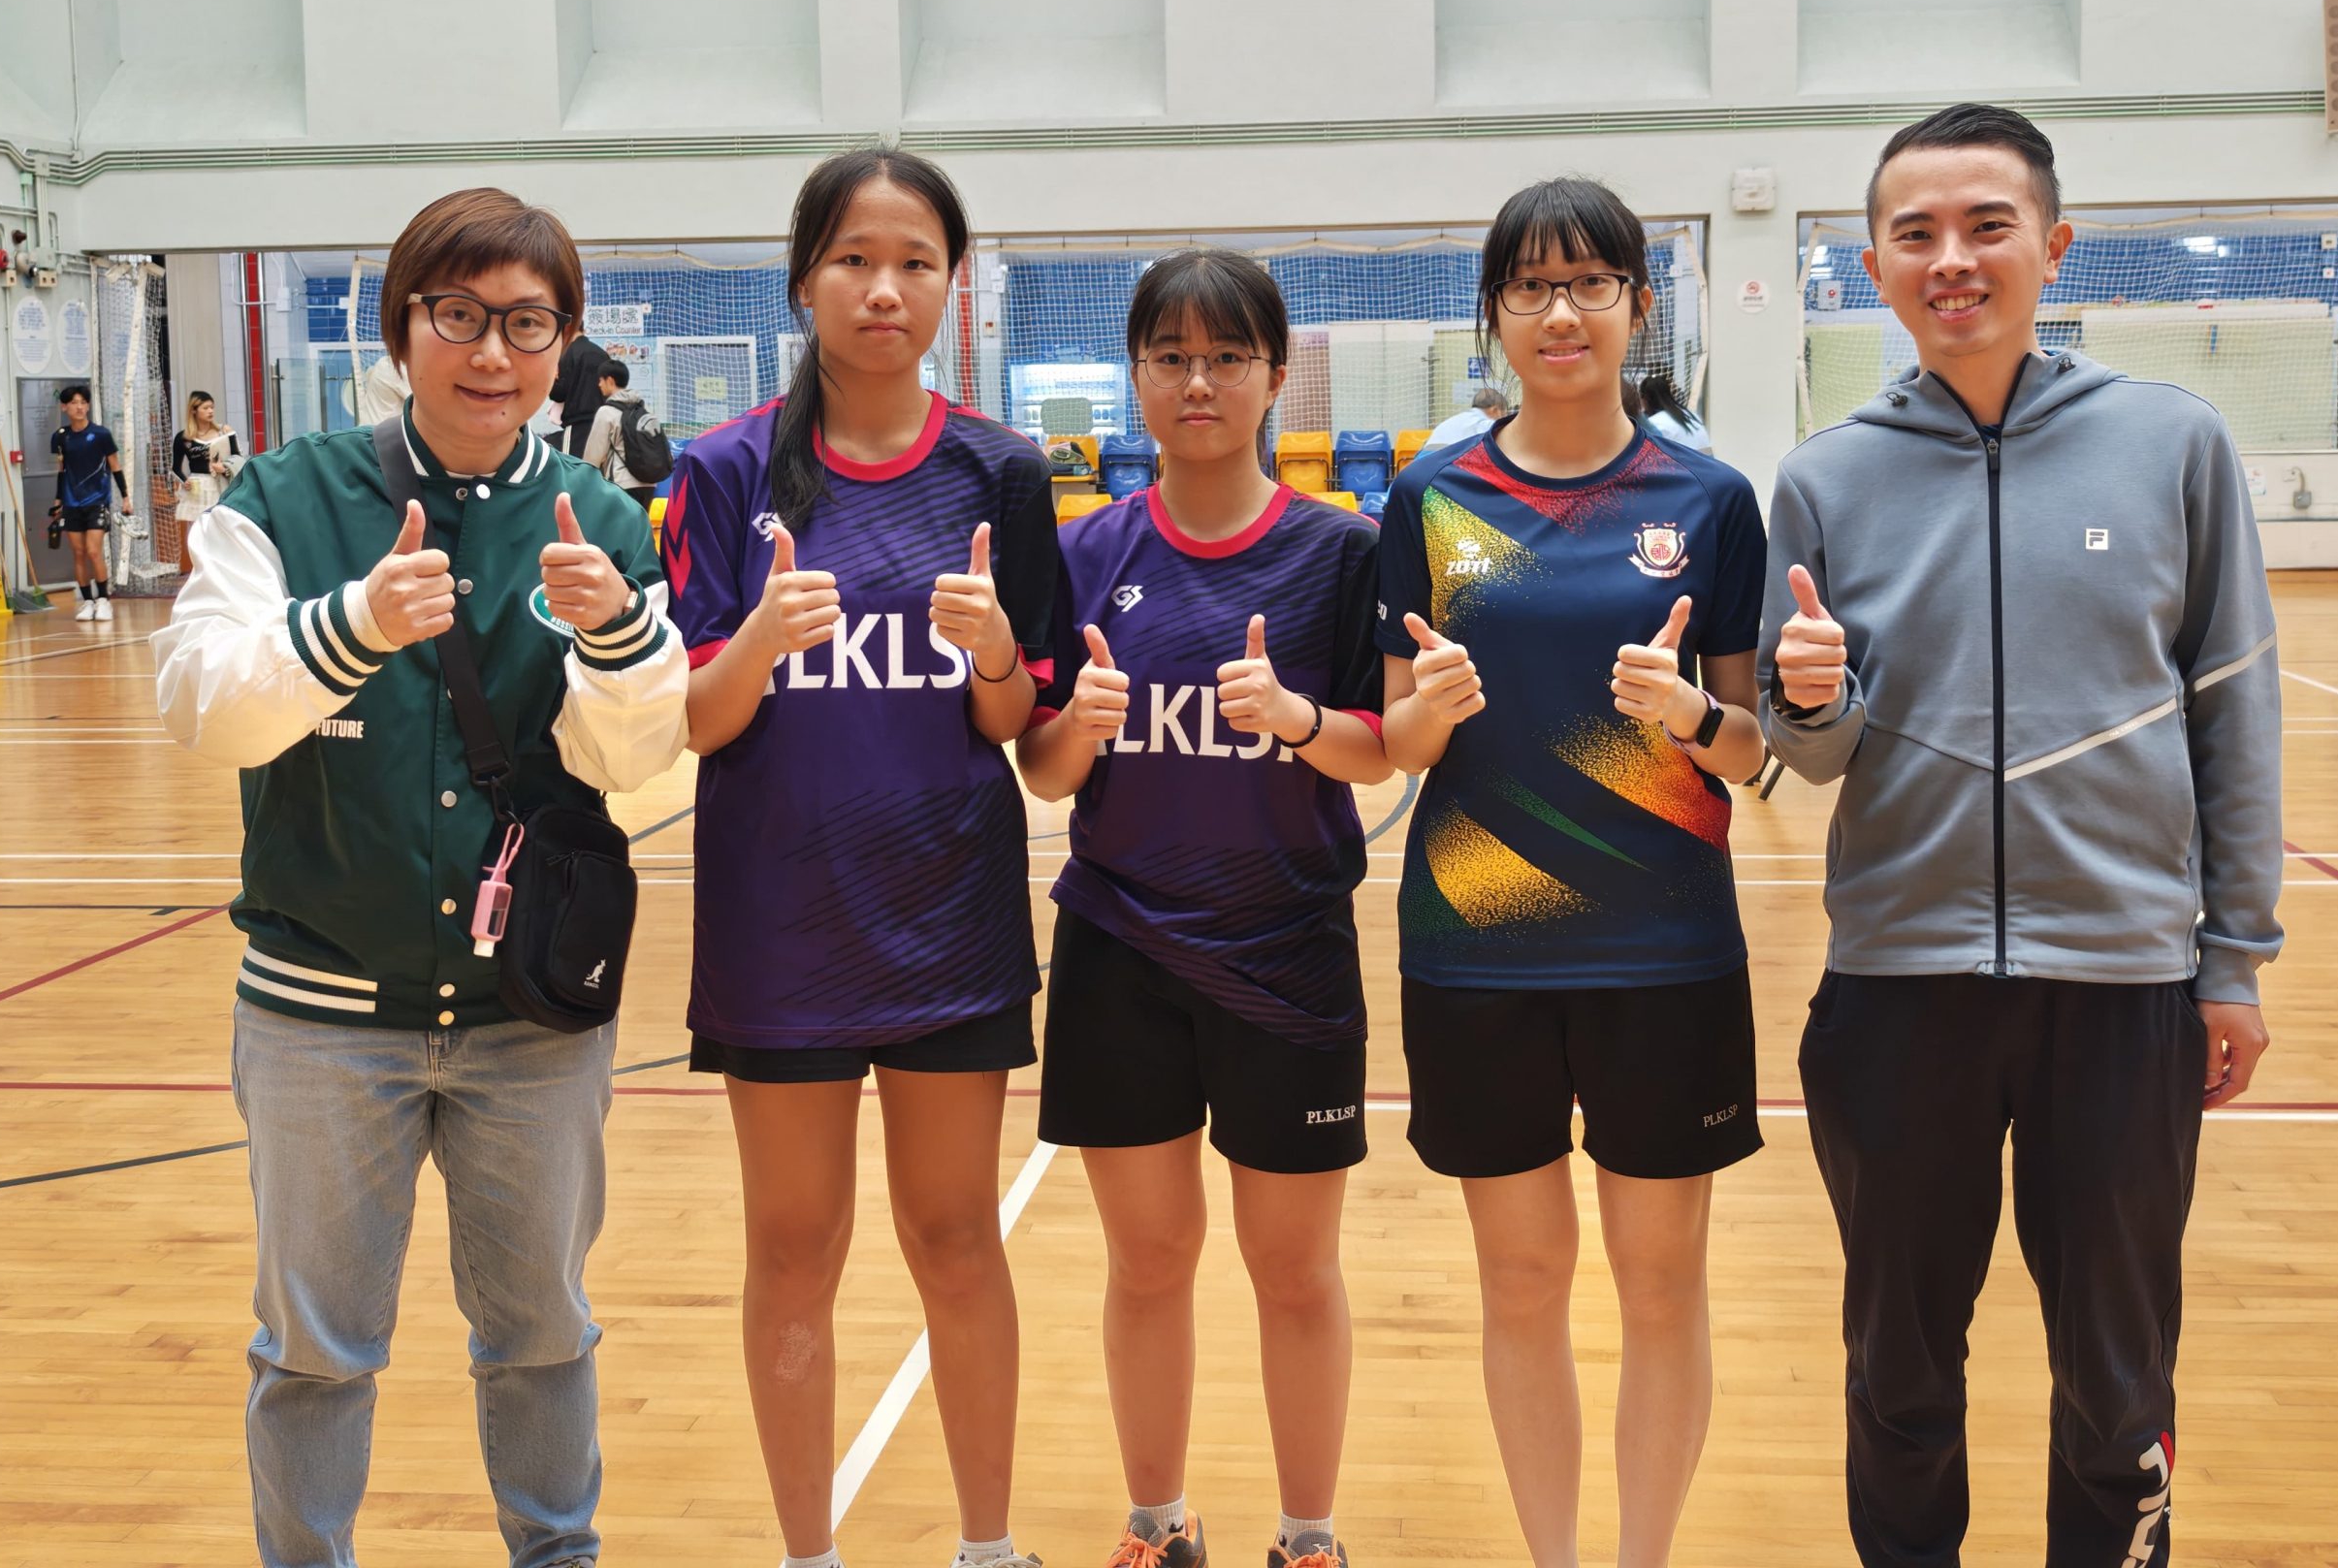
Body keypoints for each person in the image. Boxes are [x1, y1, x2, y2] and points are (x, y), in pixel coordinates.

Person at [1760, 103, 2282, 1568]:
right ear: (1873, 268)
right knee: (1901, 1375)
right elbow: (1809, 757)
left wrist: (2233, 957)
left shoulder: (2173, 446)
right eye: (1915, 234)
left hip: (2121, 991)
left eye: (1986, 225)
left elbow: (2235, 716)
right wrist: (1813, 701)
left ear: (2054, 246)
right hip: (1897, 991)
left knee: (2118, 1386)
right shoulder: (1826, 476)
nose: (1953, 259)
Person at [153, 186, 689, 1568]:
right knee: (317, 1353)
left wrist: (624, 637)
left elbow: (631, 757)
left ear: (565, 342)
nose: (492, 354)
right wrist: (348, 627)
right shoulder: (286, 495)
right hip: (320, 1012)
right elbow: (204, 705)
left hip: (531, 1017)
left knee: (543, 1340)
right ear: (402, 328)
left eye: (527, 323)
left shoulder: (596, 517)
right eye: (459, 316)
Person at [661, 148, 1056, 1568]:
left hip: (948, 915)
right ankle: (807, 1554)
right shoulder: (719, 474)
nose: (884, 289)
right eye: (852, 260)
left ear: (952, 284)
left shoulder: (1002, 470)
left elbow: (1022, 721)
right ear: (804, 280)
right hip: (781, 930)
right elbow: (696, 721)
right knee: (792, 1251)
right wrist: (759, 642)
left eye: (915, 263)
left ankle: (990, 1545)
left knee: (957, 1238)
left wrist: (1001, 651)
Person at [1375, 176, 1769, 1568]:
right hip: (1477, 951)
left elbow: (1747, 753)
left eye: (1592, 282)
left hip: (1664, 953)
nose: (1562, 311)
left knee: (1663, 1288)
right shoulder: (1428, 493)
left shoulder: (1711, 503)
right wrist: (1427, 712)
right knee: (1523, 1279)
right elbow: (1392, 738)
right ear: (1494, 314)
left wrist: (1690, 719)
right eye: (1532, 286)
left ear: (1637, 308)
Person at [1017, 249, 1393, 1568]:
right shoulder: (1082, 556)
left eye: (1227, 357)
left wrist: (1298, 721)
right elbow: (1047, 772)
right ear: (1134, 376)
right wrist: (1077, 725)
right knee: (1149, 1261)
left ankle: (1307, 1540)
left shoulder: (1341, 551)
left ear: (1276, 379)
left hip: (1288, 954)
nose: (1198, 381)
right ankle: (1158, 1526)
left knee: (1295, 1270)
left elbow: (1383, 747)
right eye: (1171, 356)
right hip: (1123, 948)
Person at [50, 383, 126, 621]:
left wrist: (126, 498)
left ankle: (104, 600)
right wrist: (58, 499)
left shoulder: (101, 434)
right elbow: (62, 471)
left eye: (83, 402)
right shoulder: (60, 437)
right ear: (65, 407)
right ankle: (87, 602)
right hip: (72, 503)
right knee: (79, 553)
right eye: (74, 403)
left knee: (94, 551)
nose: (79, 407)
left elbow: (115, 466)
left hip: (98, 501)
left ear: (88, 406)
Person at [171, 389, 244, 576]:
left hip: (217, 483)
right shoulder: (183, 438)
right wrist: (184, 481)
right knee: (195, 529)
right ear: (194, 410)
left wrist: (225, 467)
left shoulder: (224, 432)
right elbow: (175, 467)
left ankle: (221, 568)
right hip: (196, 486)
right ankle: (196, 569)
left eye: (212, 407)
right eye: (205, 407)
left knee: (218, 526)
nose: (210, 411)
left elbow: (238, 457)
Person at [579, 358, 659, 508]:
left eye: (601, 380)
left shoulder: (606, 412)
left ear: (610, 381)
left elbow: (594, 455)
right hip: (649, 484)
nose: (599, 384)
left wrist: (583, 481)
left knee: (619, 530)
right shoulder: (644, 409)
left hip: (622, 483)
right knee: (640, 529)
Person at [552, 326, 609, 455]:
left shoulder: (567, 354)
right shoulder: (602, 354)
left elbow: (559, 393)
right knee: (599, 471)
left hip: (576, 424)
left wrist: (553, 380)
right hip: (601, 423)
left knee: (572, 469)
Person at [1422, 384, 1509, 449]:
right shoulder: (1484, 424)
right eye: (1504, 413)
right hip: (1441, 465)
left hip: (1421, 461)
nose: (1505, 417)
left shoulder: (1455, 420)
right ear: (1495, 410)